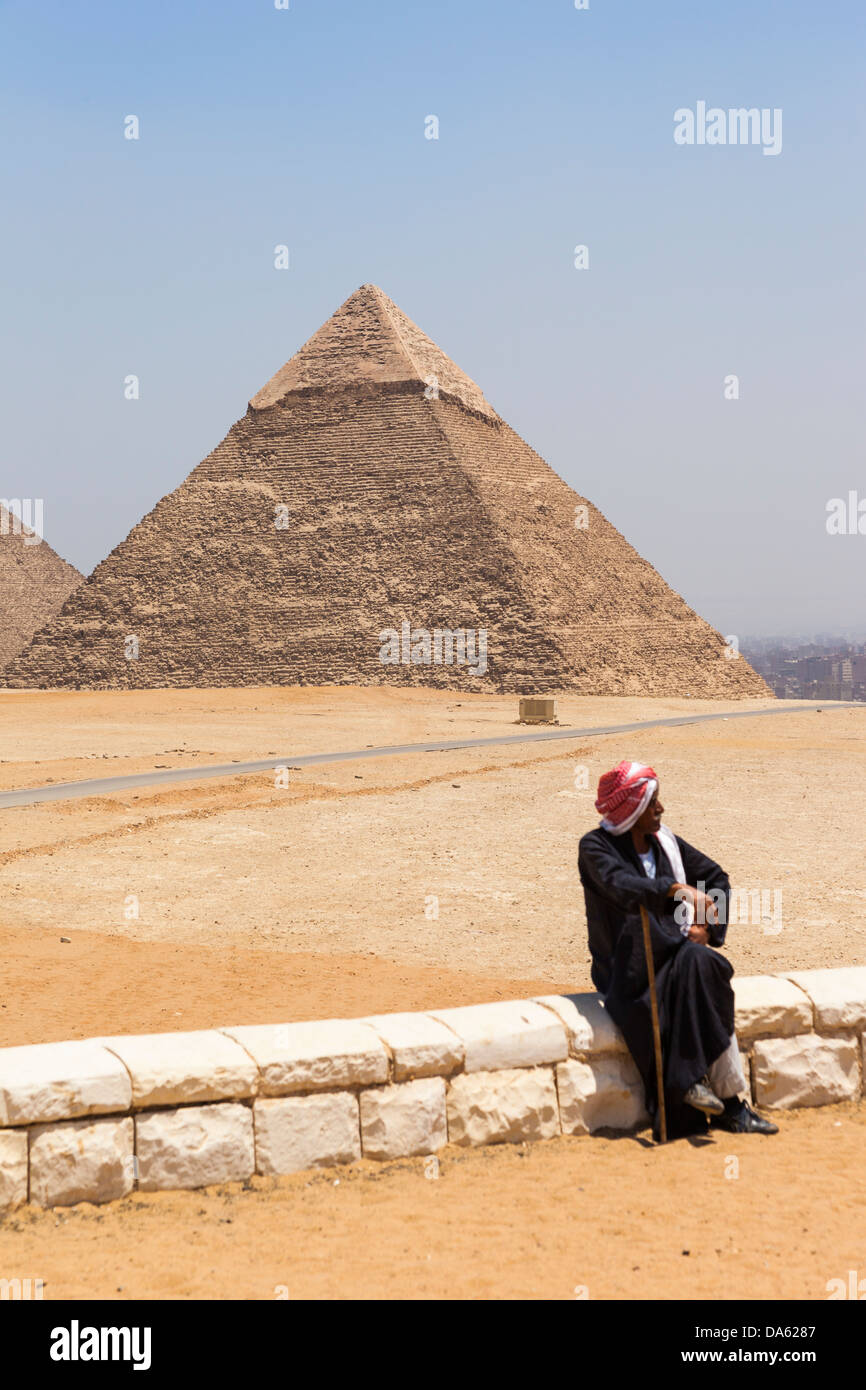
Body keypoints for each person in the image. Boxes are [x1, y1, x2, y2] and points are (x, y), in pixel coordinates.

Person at [578, 759, 778, 1139]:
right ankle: (728, 1106)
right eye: (653, 802)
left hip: (675, 956)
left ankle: (718, 1098)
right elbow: (621, 886)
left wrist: (707, 927)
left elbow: (716, 877)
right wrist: (674, 890)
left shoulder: (664, 844)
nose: (660, 809)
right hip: (627, 972)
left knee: (705, 969)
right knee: (701, 973)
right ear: (632, 808)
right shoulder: (595, 847)